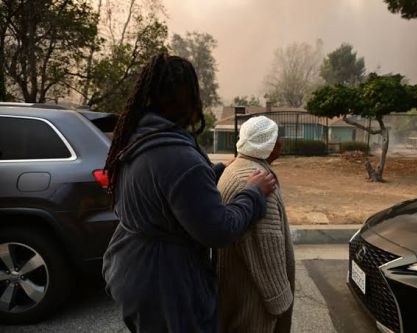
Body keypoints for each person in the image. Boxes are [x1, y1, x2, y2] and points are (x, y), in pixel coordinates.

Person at [102, 53, 276, 333]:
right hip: (167, 288)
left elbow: (174, 191)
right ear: (188, 100)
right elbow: (219, 230)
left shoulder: (138, 139)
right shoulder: (179, 158)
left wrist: (217, 172)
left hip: (131, 271)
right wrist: (253, 194)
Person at [217, 116, 295, 333]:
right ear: (269, 145)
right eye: (277, 137)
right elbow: (266, 247)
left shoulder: (235, 168)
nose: (281, 142)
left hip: (234, 289)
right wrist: (279, 300)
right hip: (253, 301)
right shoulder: (257, 180)